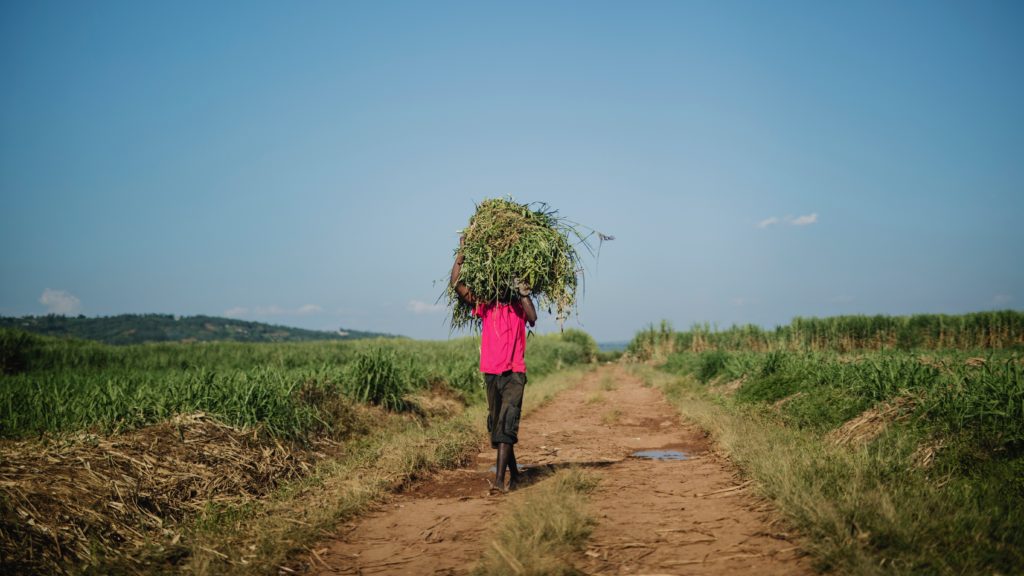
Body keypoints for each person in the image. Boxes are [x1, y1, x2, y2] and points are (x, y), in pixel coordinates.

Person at [450, 238, 537, 494]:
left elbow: (533, 317)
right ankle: (517, 476)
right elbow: (456, 284)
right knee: (497, 426)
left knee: (507, 423)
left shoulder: (519, 306)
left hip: (514, 373)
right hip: (490, 372)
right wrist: (462, 251)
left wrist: (524, 293)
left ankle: (500, 483)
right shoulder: (486, 306)